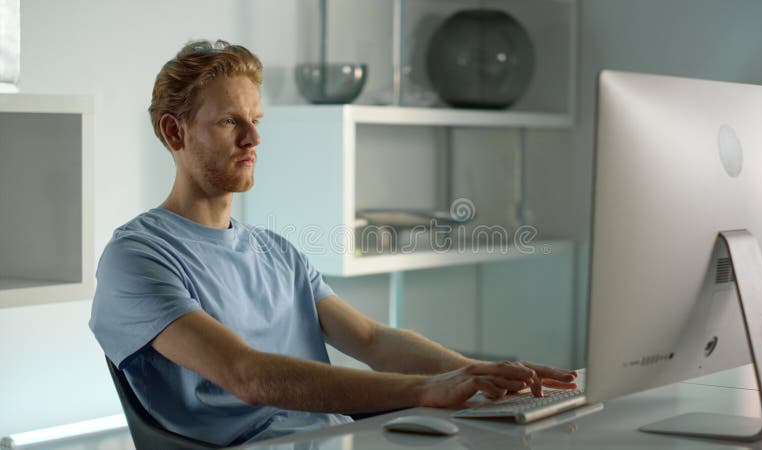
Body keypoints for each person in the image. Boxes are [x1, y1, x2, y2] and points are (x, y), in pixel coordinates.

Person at [89, 39, 578, 446]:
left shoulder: (276, 251)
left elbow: (371, 340)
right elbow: (247, 374)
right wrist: (426, 389)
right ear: (174, 132)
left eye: (257, 119)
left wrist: (485, 376)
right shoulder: (137, 257)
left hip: (337, 439)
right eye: (229, 122)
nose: (253, 137)